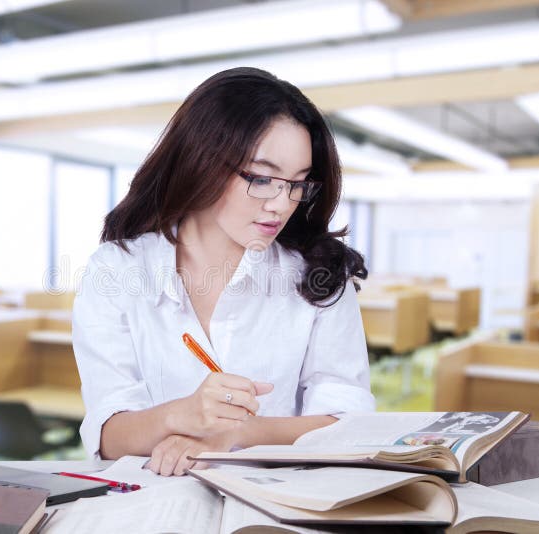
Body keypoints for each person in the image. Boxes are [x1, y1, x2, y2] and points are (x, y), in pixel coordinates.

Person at [72, 67, 375, 476]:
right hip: (155, 503)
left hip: (280, 503)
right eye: (263, 178)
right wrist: (182, 416)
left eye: (298, 184)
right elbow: (108, 433)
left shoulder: (319, 275)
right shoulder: (116, 269)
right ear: (204, 160)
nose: (282, 204)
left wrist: (236, 434)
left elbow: (347, 422)